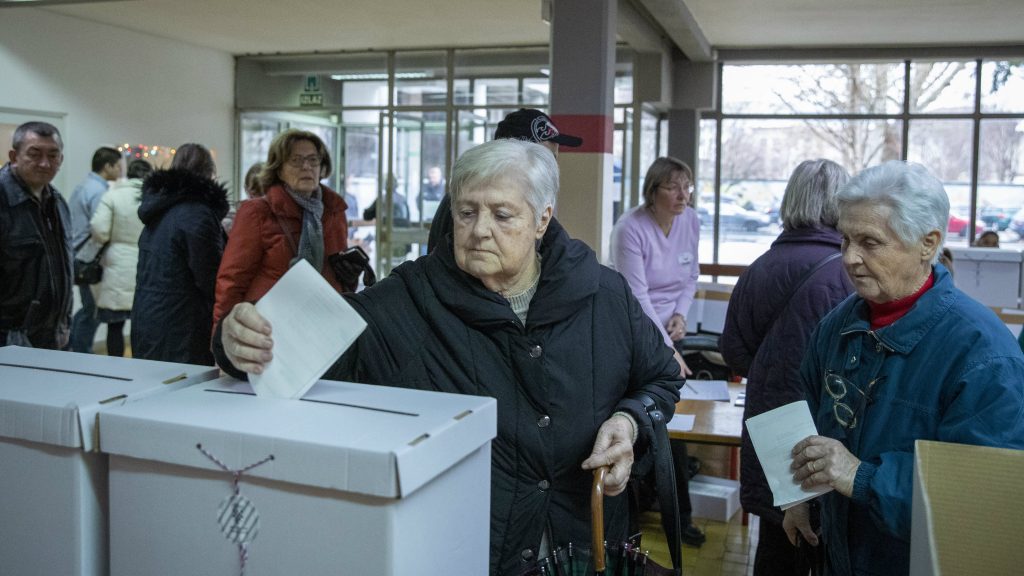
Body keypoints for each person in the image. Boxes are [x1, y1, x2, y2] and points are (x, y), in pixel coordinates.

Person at [214, 139, 682, 576]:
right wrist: (237, 342)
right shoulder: (410, 298)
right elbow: (295, 345)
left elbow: (661, 378)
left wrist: (630, 421)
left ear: (542, 220)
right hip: (470, 551)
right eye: (466, 212)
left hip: (588, 544)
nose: (479, 230)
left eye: (502, 215)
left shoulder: (603, 294)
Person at [782, 161, 1024, 576]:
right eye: (844, 240)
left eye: (870, 242)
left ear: (927, 243)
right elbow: (804, 409)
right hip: (838, 552)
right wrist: (797, 494)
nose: (850, 259)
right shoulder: (837, 326)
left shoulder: (984, 355)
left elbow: (984, 498)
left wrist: (862, 477)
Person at [720, 159, 854, 575]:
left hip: (769, 424)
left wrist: (773, 373)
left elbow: (734, 350)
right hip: (828, 428)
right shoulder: (848, 273)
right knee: (826, 544)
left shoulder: (759, 268)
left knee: (776, 545)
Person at [608, 156, 704, 547]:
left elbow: (691, 273)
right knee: (653, 423)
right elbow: (637, 295)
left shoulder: (691, 221)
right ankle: (631, 521)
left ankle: (678, 520)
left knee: (677, 429)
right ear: (653, 191)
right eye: (673, 187)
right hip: (636, 331)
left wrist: (681, 314)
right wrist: (668, 352)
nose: (682, 195)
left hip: (670, 330)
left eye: (687, 187)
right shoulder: (630, 228)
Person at [214, 130, 350, 330]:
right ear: (278, 169)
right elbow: (231, 282)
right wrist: (222, 341)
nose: (306, 167)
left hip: (323, 323)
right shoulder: (258, 212)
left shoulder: (334, 210)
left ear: (322, 167)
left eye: (313, 160)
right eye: (296, 160)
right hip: (269, 326)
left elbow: (336, 273)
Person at [427, 108, 582, 253]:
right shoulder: (462, 200)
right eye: (502, 215)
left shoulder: (537, 208)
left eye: (502, 215)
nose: (480, 230)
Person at [132, 143, 228, 365]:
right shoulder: (197, 214)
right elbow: (211, 278)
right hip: (183, 324)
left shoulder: (157, 209)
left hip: (149, 317)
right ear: (210, 173)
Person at [0, 121, 73, 349]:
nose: (44, 163)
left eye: (53, 155)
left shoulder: (57, 202)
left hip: (52, 335)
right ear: (14, 156)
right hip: (8, 339)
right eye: (34, 154)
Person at [88, 158, 152, 357]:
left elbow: (99, 228)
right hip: (146, 261)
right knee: (143, 324)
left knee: (114, 324)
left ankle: (115, 365)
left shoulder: (112, 196)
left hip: (117, 263)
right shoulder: (152, 198)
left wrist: (111, 241)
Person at [68, 146, 122, 353]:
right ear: (107, 166)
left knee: (90, 308)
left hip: (79, 255)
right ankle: (79, 353)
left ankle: (72, 348)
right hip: (89, 258)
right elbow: (101, 228)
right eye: (117, 166)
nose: (120, 171)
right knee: (93, 310)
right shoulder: (99, 192)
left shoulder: (83, 186)